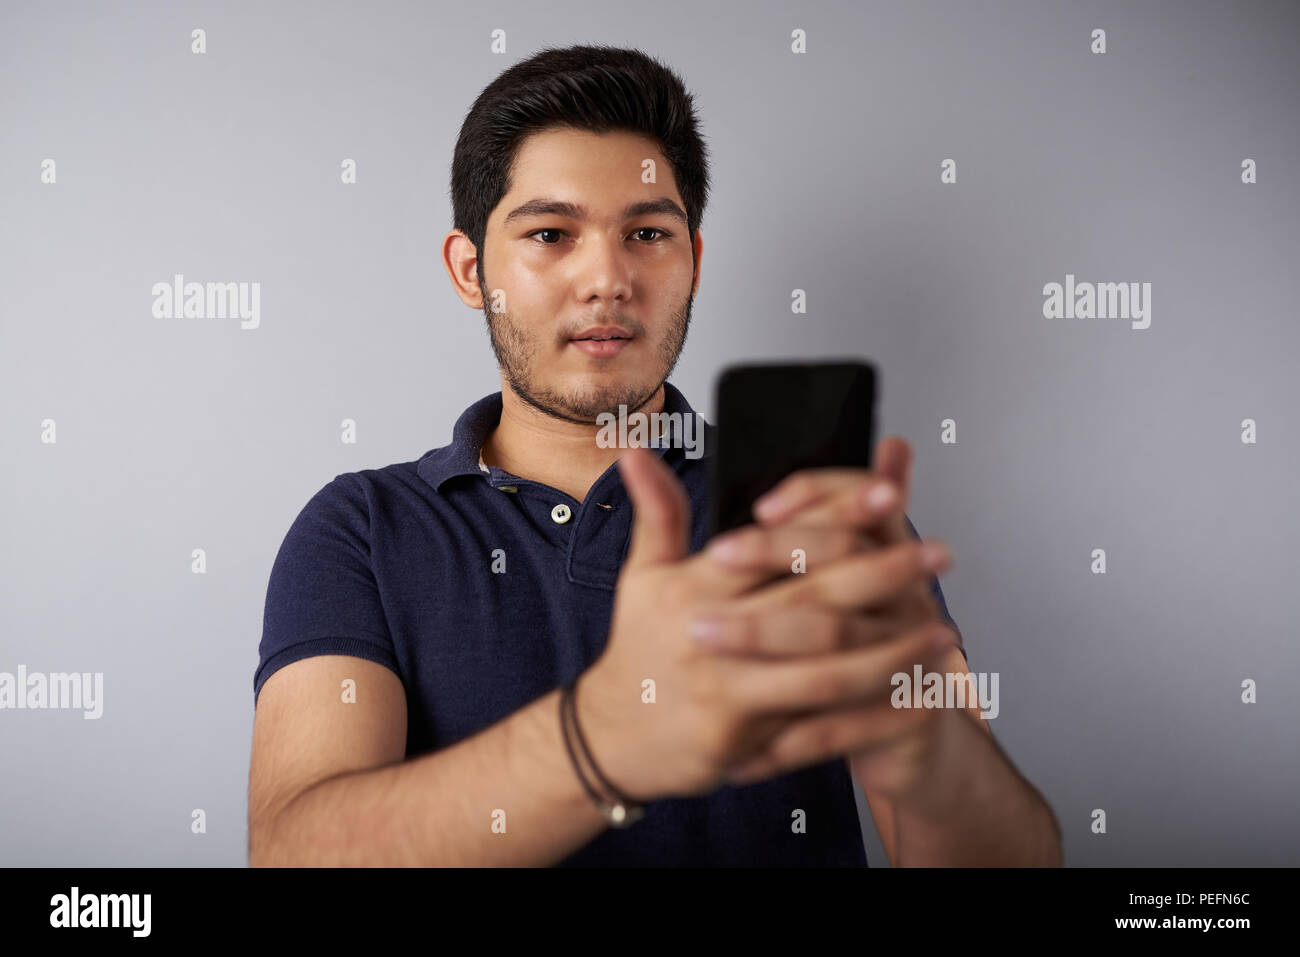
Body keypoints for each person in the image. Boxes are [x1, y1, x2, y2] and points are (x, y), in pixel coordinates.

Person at [247, 43, 1062, 867]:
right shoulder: (361, 530)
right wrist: (600, 737)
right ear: (470, 269)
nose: (607, 278)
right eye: (550, 233)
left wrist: (923, 740)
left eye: (646, 232)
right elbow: (292, 852)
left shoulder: (806, 514)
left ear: (694, 261)